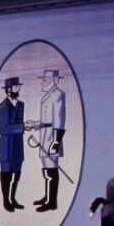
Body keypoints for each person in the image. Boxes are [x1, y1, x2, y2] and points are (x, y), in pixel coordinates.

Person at [31, 68, 68, 212]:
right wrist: (34, 125)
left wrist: (56, 141)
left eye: (45, 80)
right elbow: (46, 121)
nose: (42, 83)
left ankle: (52, 201)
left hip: (52, 139)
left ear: (53, 81)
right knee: (46, 171)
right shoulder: (47, 95)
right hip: (44, 138)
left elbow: (59, 119)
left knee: (52, 171)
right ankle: (47, 196)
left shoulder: (58, 95)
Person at [0, 77, 26, 211]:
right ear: (8, 89)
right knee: (6, 174)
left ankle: (13, 198)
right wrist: (23, 127)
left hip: (17, 145)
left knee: (16, 173)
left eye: (18, 86)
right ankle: (6, 201)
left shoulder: (21, 104)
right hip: (6, 146)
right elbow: (3, 128)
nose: (18, 89)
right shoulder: (3, 107)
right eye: (15, 86)